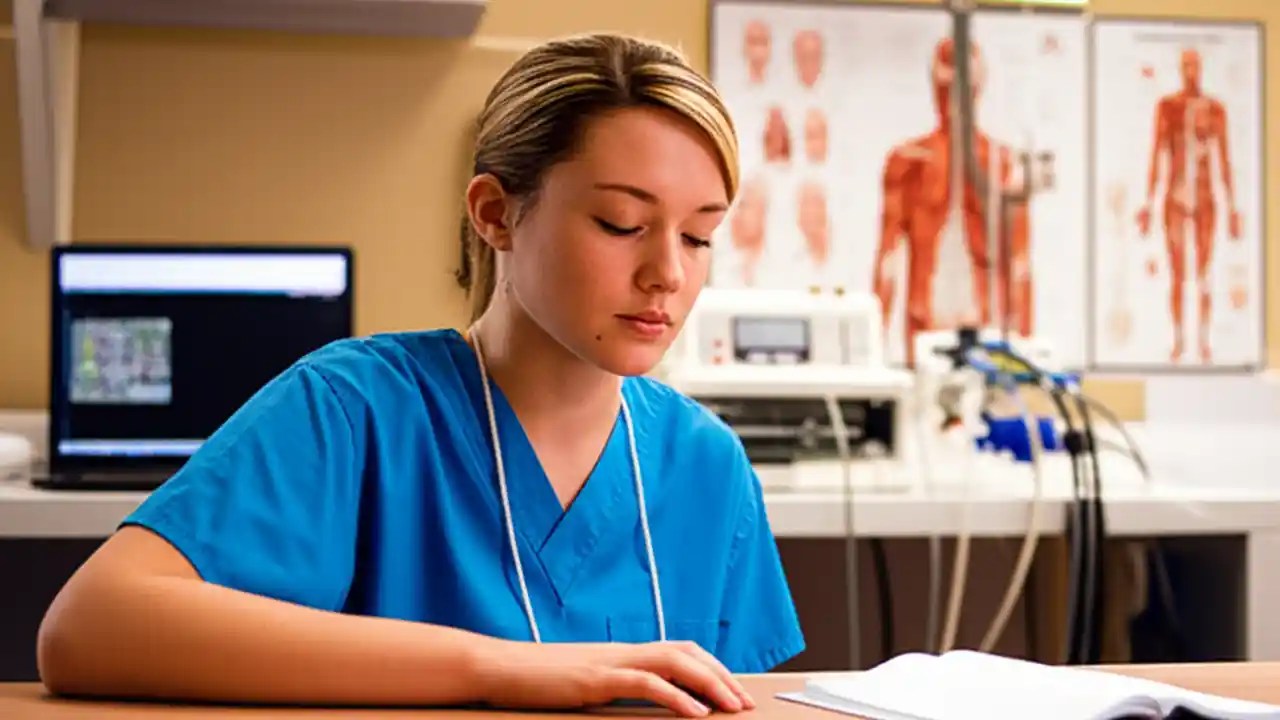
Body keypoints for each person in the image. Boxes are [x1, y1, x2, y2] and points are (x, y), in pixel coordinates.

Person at [36, 33, 805, 717]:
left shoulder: (706, 464)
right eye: (620, 224)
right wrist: (503, 668)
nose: (667, 273)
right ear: (496, 213)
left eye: (700, 235)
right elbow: (89, 628)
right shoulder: (356, 410)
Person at [872, 37, 1031, 366]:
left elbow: (1018, 265)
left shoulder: (1001, 164)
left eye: (963, 89)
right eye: (945, 89)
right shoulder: (908, 160)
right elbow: (887, 261)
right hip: (924, 331)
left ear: (978, 89)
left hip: (984, 331)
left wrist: (1024, 357)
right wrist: (873, 353)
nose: (954, 101)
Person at [1135, 47, 1241, 364]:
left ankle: (1204, 341)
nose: (1190, 71)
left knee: (1204, 274)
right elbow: (1157, 154)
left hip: (1206, 198)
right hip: (1176, 198)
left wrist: (1232, 207)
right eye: (1186, 66)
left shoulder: (1215, 110)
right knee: (1178, 274)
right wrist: (1148, 203)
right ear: (1181, 69)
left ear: (1202, 68)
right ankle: (1179, 340)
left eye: (1195, 65)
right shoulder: (1169, 107)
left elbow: (1224, 159)